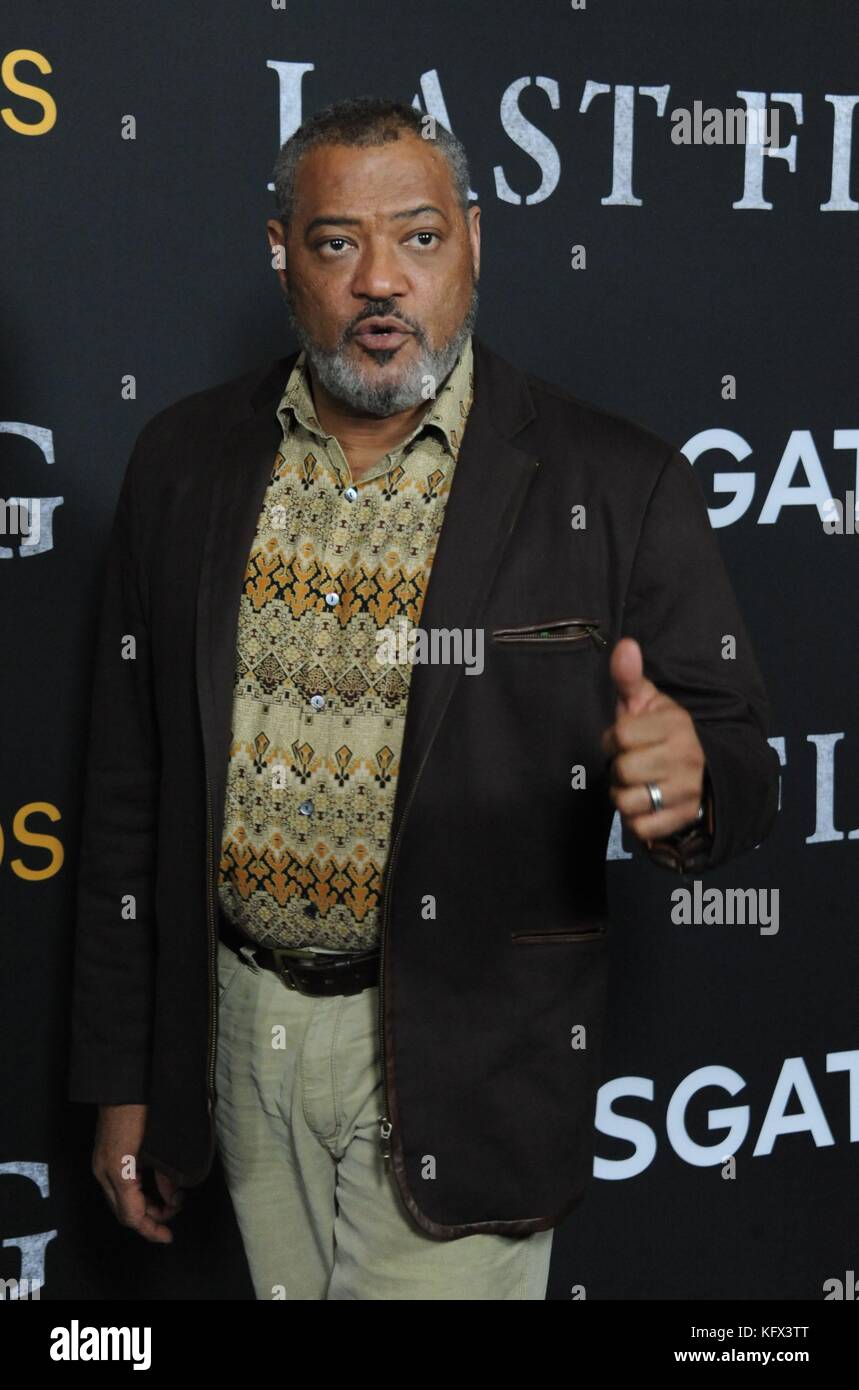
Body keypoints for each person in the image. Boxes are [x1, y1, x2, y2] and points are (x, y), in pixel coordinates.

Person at [69, 94, 780, 1300]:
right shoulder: (183, 460)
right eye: (339, 242)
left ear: (476, 243)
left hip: (464, 1052)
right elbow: (129, 790)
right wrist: (124, 1078)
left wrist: (693, 779)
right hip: (239, 1036)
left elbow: (740, 754)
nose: (380, 281)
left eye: (420, 237)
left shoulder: (615, 480)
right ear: (281, 255)